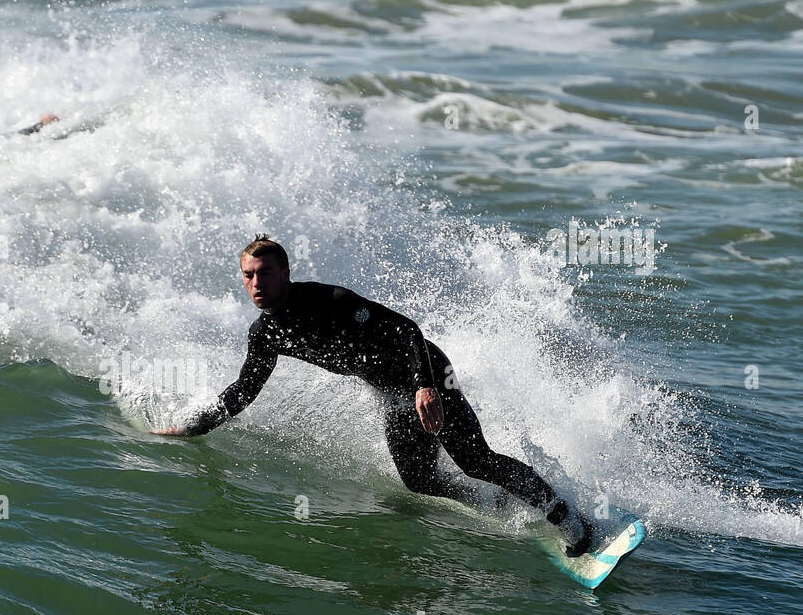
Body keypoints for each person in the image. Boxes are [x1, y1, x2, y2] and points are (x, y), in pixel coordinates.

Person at [153, 234, 597, 556]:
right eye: (248, 276)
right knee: (418, 480)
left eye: (264, 274)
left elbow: (407, 330)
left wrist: (425, 385)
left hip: (427, 375)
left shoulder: (331, 301)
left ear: (286, 273)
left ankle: (569, 518)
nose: (255, 284)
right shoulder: (267, 334)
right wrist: (195, 426)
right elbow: (243, 390)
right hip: (393, 394)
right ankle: (496, 500)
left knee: (473, 458)